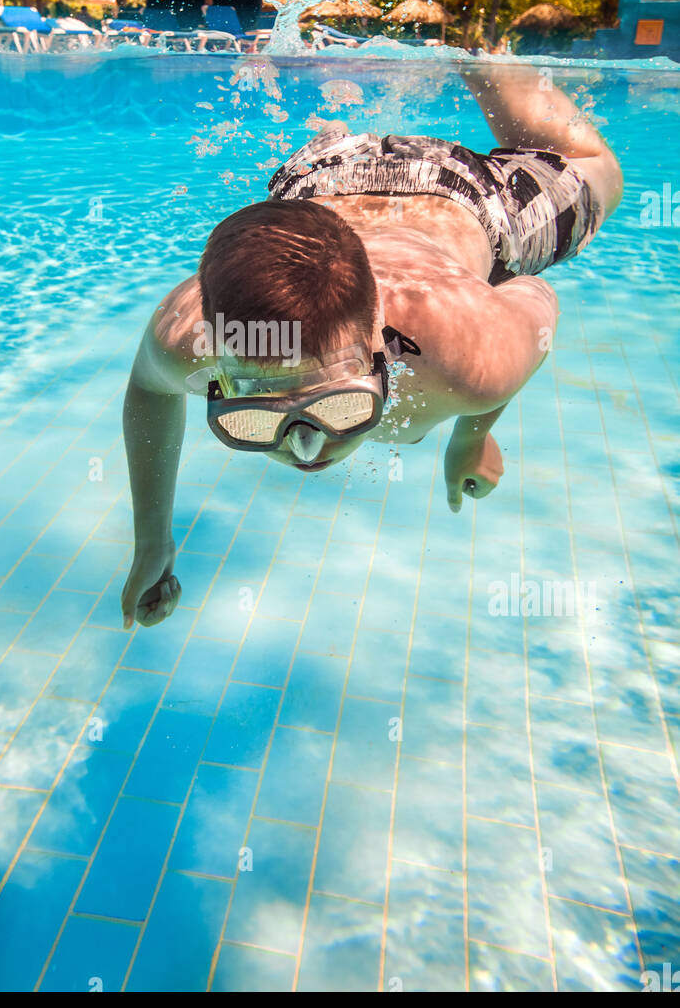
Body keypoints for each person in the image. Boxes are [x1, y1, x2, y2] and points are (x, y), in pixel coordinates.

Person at [120, 60, 623, 628]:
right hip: (318, 180)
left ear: (380, 336)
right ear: (218, 358)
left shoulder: (470, 354)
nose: (306, 452)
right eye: (254, 416)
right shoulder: (190, 335)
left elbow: (535, 296)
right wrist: (151, 542)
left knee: (598, 170)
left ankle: (480, 54)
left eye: (339, 403)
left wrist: (473, 430)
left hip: (468, 199)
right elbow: (150, 389)